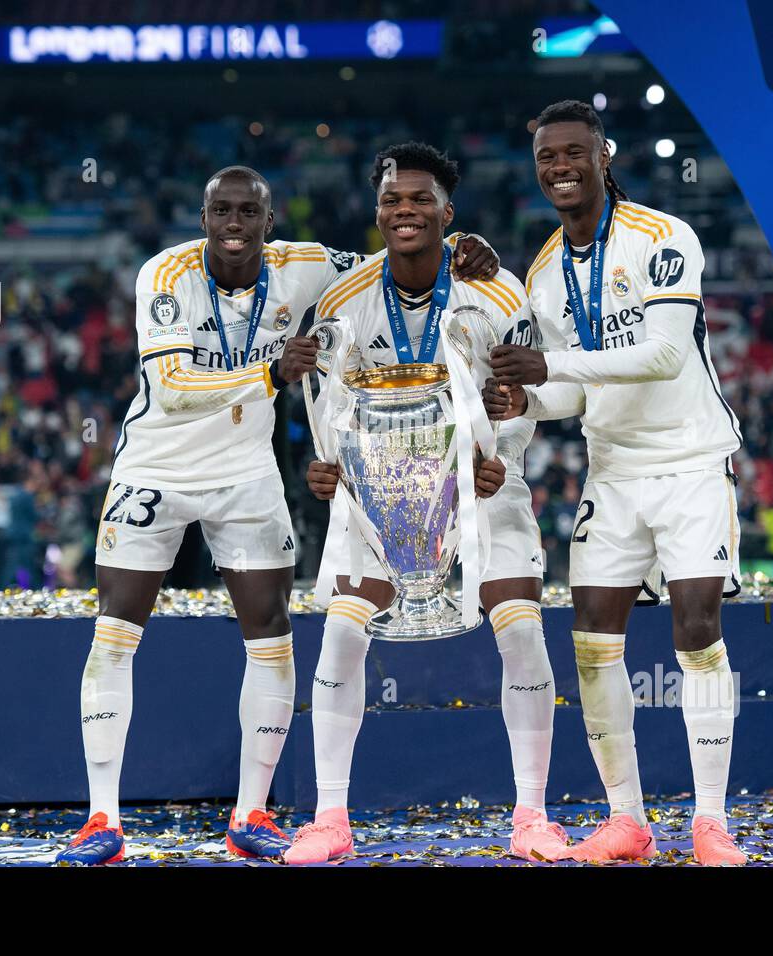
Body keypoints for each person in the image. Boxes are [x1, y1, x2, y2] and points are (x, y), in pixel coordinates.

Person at [57, 165, 499, 864]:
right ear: (204, 218)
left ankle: (251, 812)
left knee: (270, 631)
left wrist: (464, 248)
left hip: (246, 471)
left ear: (270, 222)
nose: (233, 225)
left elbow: (396, 257)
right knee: (115, 631)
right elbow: (171, 389)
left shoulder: (308, 267)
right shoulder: (164, 276)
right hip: (156, 466)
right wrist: (268, 374)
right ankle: (101, 819)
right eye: (220, 211)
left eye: (248, 213)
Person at [286, 142, 568, 864]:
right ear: (377, 211)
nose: (403, 211)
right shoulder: (345, 298)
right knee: (343, 635)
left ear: (448, 211)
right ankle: (330, 818)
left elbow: (526, 393)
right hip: (379, 501)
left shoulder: (497, 289)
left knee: (521, 632)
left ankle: (531, 816)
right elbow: (328, 400)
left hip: (481, 490)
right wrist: (329, 466)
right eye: (391, 200)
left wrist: (501, 448)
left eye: (419, 200)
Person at [484, 100, 747, 865]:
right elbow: (571, 395)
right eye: (546, 157)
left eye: (574, 151)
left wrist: (551, 368)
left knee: (696, 629)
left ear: (605, 154)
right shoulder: (543, 271)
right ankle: (627, 818)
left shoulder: (665, 238)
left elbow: (665, 355)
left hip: (691, 459)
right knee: (594, 641)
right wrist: (526, 398)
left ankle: (710, 822)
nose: (560, 166)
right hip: (615, 469)